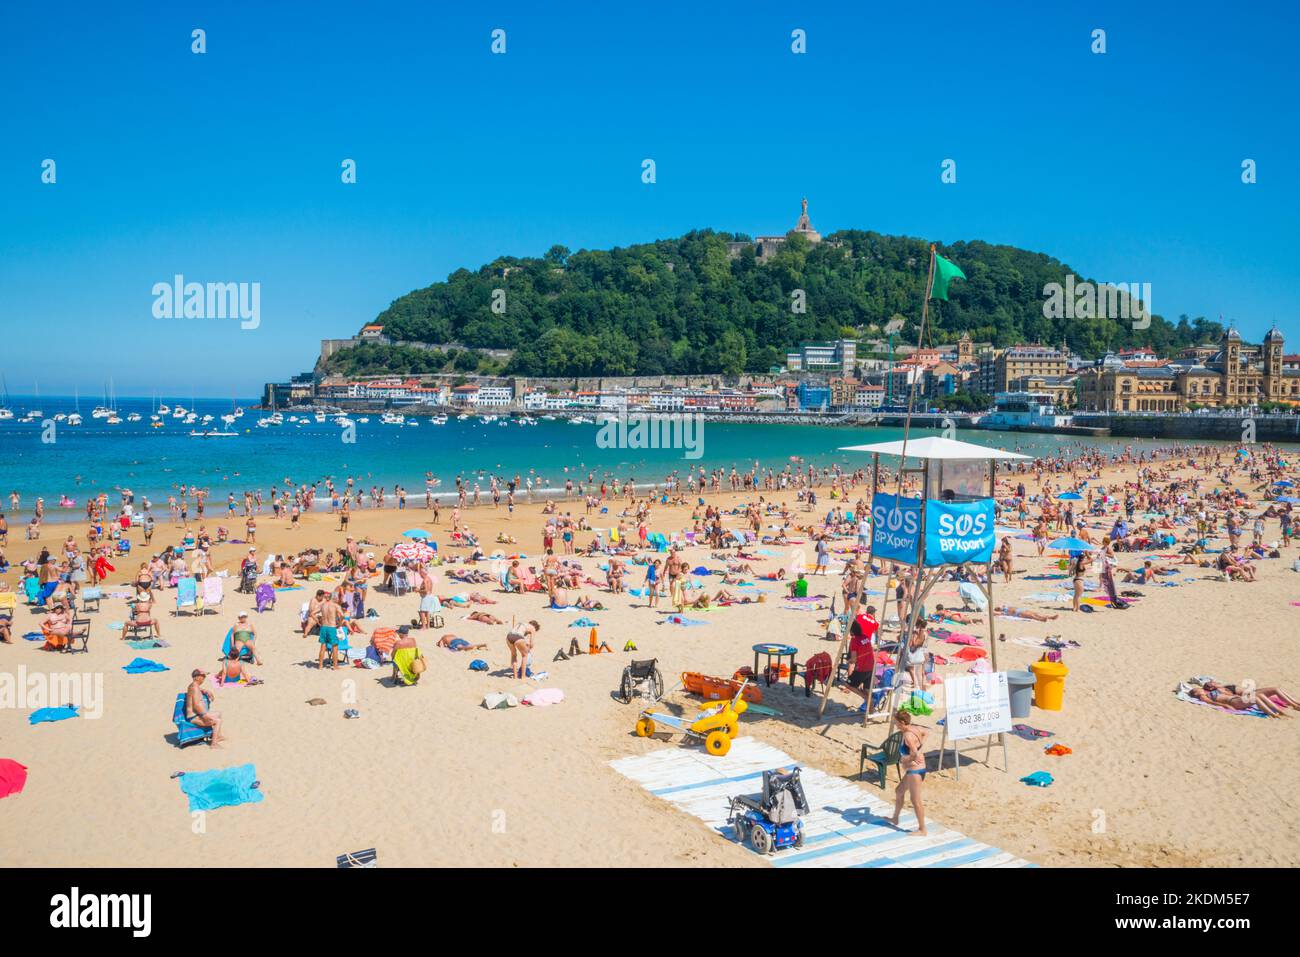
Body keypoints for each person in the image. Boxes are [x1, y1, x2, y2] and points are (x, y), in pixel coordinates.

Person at [888, 709, 928, 835]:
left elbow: (915, 753)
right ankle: (895, 818)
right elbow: (926, 733)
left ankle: (922, 829)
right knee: (899, 791)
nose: (895, 725)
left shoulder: (907, 736)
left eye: (896, 723)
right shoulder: (915, 728)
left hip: (915, 771)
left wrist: (906, 760)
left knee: (915, 800)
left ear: (902, 722)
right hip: (915, 770)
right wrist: (921, 747)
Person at [185, 669, 224, 747]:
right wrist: (205, 716)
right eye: (202, 676)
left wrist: (206, 691)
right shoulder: (194, 688)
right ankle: (214, 744)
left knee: (219, 714)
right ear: (196, 677)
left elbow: (196, 690)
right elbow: (196, 705)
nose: (204, 678)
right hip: (193, 717)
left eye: (204, 676)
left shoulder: (194, 686)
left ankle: (218, 736)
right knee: (217, 721)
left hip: (197, 715)